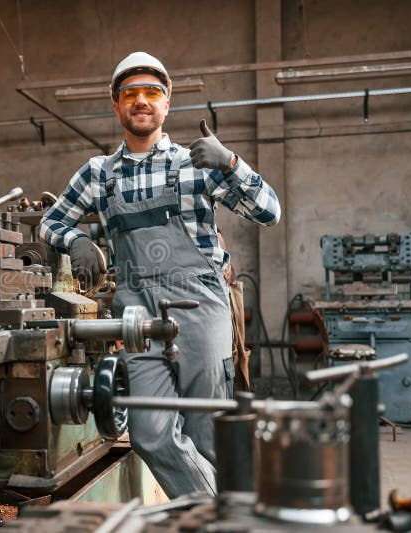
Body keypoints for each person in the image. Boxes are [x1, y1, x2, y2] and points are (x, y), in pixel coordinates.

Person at [39, 52, 280, 498]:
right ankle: (220, 513)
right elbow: (49, 222)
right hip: (136, 316)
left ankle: (219, 517)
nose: (141, 101)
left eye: (152, 92)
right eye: (130, 93)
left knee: (208, 433)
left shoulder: (196, 163)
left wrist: (230, 163)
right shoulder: (98, 174)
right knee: (150, 433)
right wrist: (74, 240)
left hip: (200, 306)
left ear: (167, 104)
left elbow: (269, 212)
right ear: (116, 105)